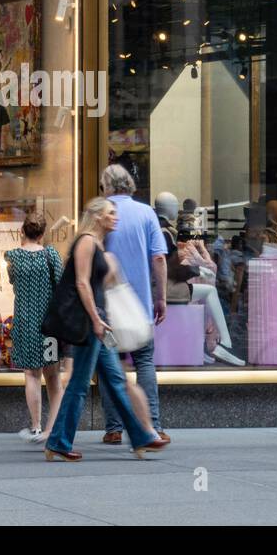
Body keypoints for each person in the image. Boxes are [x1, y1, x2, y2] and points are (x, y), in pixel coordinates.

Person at [44, 198, 169, 461]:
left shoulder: (98, 244)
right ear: (98, 216)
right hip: (92, 326)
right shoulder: (87, 241)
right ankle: (59, 441)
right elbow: (81, 283)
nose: (116, 217)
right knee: (80, 384)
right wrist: (96, 319)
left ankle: (140, 436)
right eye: (111, 213)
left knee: (116, 381)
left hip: (100, 325)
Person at [98, 165, 169, 445]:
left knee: (110, 363)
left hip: (106, 304)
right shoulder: (146, 213)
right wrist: (160, 297)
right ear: (129, 184)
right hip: (139, 303)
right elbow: (159, 258)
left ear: (106, 186)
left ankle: (114, 428)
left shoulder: (100, 213)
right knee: (144, 361)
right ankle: (153, 425)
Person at [156, 193, 243, 366]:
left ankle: (208, 346)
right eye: (175, 206)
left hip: (164, 287)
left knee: (203, 295)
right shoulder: (164, 234)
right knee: (209, 291)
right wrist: (198, 271)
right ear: (170, 209)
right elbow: (170, 266)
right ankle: (225, 343)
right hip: (166, 289)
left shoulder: (162, 230)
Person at [5, 211, 66, 443]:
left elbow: (12, 280)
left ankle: (36, 426)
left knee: (31, 374)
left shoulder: (13, 257)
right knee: (52, 376)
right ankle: (54, 428)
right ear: (42, 233)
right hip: (48, 326)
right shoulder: (50, 255)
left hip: (25, 323)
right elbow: (60, 284)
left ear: (23, 231)